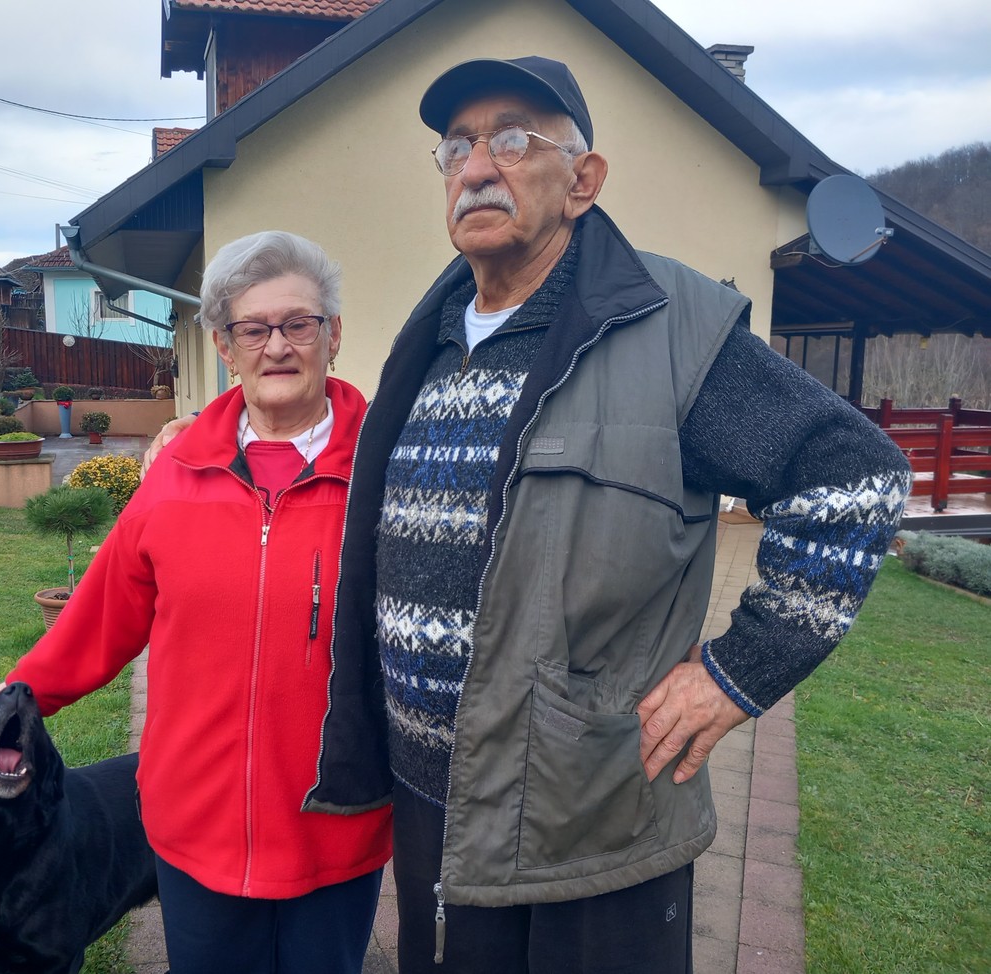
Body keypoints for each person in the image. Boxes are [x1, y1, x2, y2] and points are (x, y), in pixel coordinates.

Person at [145, 57, 910, 974]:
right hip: (439, 815)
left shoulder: (670, 330)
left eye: (513, 139)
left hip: (588, 825)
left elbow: (853, 476)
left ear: (583, 181)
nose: (476, 166)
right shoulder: (426, 349)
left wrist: (737, 673)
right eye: (456, 147)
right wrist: (207, 427)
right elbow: (315, 441)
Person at [0, 230, 392, 974]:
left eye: (299, 324)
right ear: (225, 347)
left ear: (333, 336)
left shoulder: (385, 472)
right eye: (253, 328)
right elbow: (104, 612)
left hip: (334, 826)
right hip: (193, 823)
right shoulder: (175, 475)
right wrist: (21, 694)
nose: (277, 346)